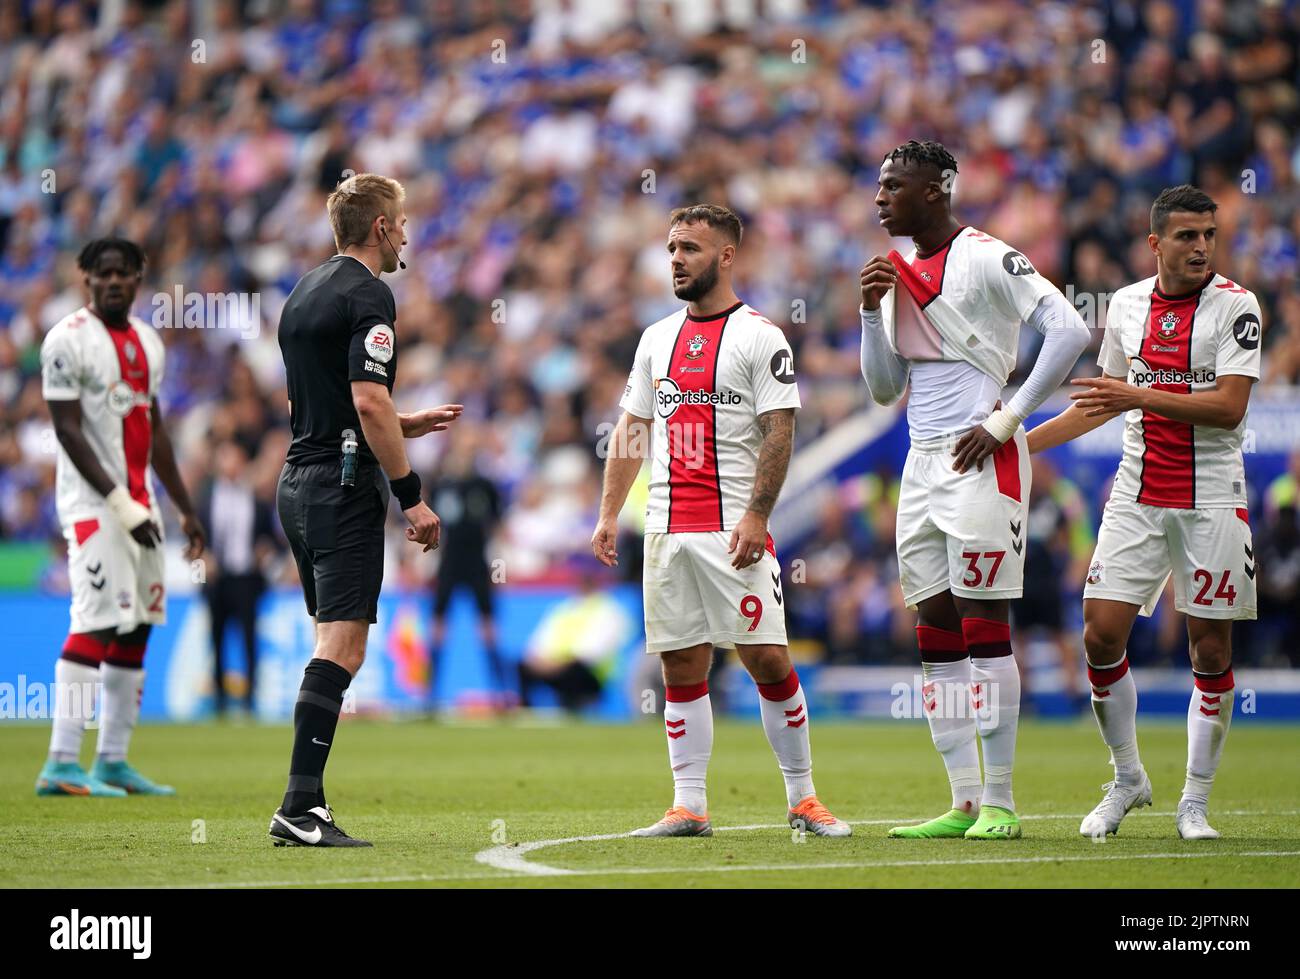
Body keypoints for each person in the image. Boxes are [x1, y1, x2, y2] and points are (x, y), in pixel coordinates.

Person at [592, 203, 851, 839]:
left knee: (765, 657)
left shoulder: (762, 335)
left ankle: (804, 798)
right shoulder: (656, 339)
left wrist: (759, 514)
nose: (676, 260)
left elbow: (779, 431)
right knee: (680, 666)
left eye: (690, 249)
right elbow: (631, 430)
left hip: (732, 529)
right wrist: (607, 513)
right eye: (672, 248)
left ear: (727, 256)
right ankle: (689, 807)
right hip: (666, 529)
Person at [859, 140, 1091, 839]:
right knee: (934, 631)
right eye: (878, 184)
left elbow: (1069, 328)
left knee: (985, 626)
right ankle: (960, 800)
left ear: (936, 190)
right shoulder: (893, 271)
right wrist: (872, 313)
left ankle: (1001, 800)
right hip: (920, 463)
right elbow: (881, 388)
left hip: (980, 455)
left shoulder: (987, 255)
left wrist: (1007, 418)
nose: (879, 197)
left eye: (893, 185)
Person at [1027, 184, 1261, 840]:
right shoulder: (1127, 305)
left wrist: (1139, 393)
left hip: (1213, 496)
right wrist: (1015, 442)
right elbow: (1103, 400)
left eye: (1209, 235)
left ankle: (1195, 801)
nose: (1201, 247)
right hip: (1137, 495)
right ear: (1155, 242)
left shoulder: (1238, 308)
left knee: (1208, 650)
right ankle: (1128, 775)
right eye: (1187, 236)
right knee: (1100, 634)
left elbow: (1229, 407)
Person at [270, 172, 461, 847]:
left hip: (297, 479)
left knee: (331, 643)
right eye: (401, 220)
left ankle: (304, 803)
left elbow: (315, 404)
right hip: (341, 487)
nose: (406, 231)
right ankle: (299, 805)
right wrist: (412, 497)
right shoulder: (369, 293)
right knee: (343, 647)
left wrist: (401, 422)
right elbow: (367, 403)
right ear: (381, 227)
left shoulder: (304, 291)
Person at [36, 237, 206, 797]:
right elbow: (66, 430)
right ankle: (61, 762)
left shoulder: (149, 344)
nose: (113, 282)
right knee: (97, 621)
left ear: (139, 277)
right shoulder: (67, 341)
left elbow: (155, 430)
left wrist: (182, 506)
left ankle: (111, 760)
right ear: (84, 277)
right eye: (102, 273)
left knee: (135, 629)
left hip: (143, 507)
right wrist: (118, 505)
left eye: (123, 273)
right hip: (95, 506)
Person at [428, 429, 506, 710]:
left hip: (477, 562)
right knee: (438, 625)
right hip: (449, 561)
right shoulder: (442, 485)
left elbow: (497, 523)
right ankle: (430, 694)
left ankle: (500, 693)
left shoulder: (485, 486)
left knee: (487, 627)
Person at [199, 439, 277, 715]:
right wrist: (202, 562)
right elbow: (194, 542)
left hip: (247, 579)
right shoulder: (205, 500)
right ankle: (219, 698)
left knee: (249, 639)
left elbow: (272, 539)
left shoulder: (256, 500)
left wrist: (264, 551)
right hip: (217, 580)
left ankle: (250, 698)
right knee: (216, 639)